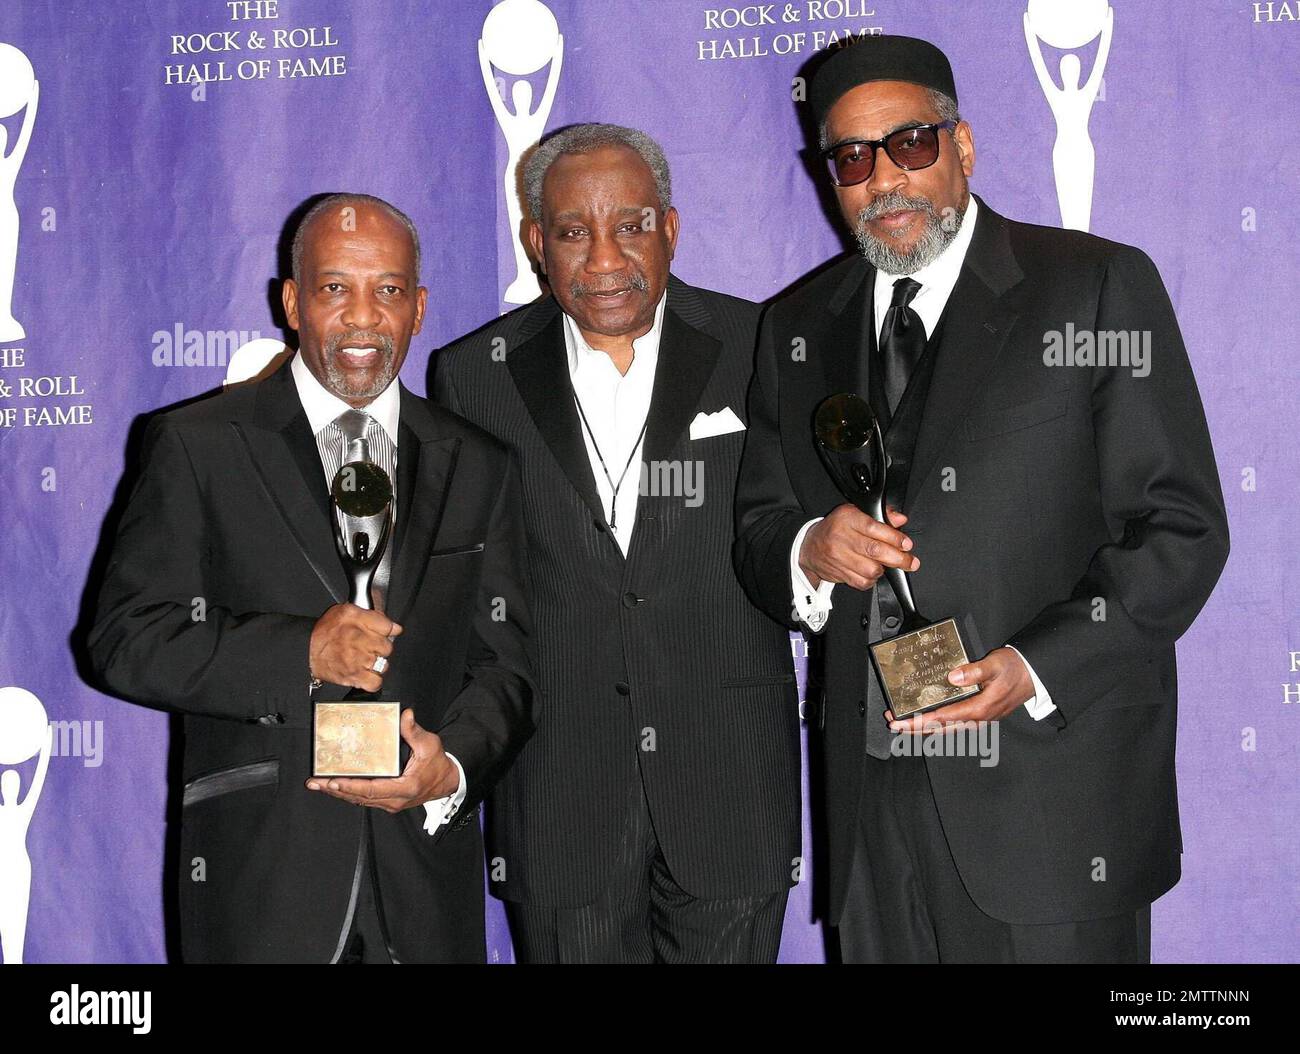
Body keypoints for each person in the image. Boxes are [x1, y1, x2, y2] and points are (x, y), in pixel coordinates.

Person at [734, 37, 1228, 963]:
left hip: (1051, 803)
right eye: (851, 158)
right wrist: (808, 549)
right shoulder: (796, 327)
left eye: (910, 143)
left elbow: (1181, 527)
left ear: (963, 145)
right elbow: (759, 528)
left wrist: (1036, 668)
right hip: (872, 811)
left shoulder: (1092, 287)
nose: (884, 177)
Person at [88, 194, 536, 963]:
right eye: (335, 288)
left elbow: (510, 667)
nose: (364, 317)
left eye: (388, 290)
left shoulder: (479, 463)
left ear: (420, 307)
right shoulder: (199, 446)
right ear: (292, 303)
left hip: (424, 889)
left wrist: (449, 767)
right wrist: (301, 653)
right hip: (261, 883)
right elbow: (127, 639)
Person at [435, 124, 800, 963]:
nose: (605, 258)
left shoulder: (762, 346)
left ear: (670, 229)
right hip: (561, 795)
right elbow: (465, 587)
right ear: (537, 244)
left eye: (631, 225)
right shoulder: (474, 375)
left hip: (731, 783)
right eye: (573, 232)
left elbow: (802, 536)